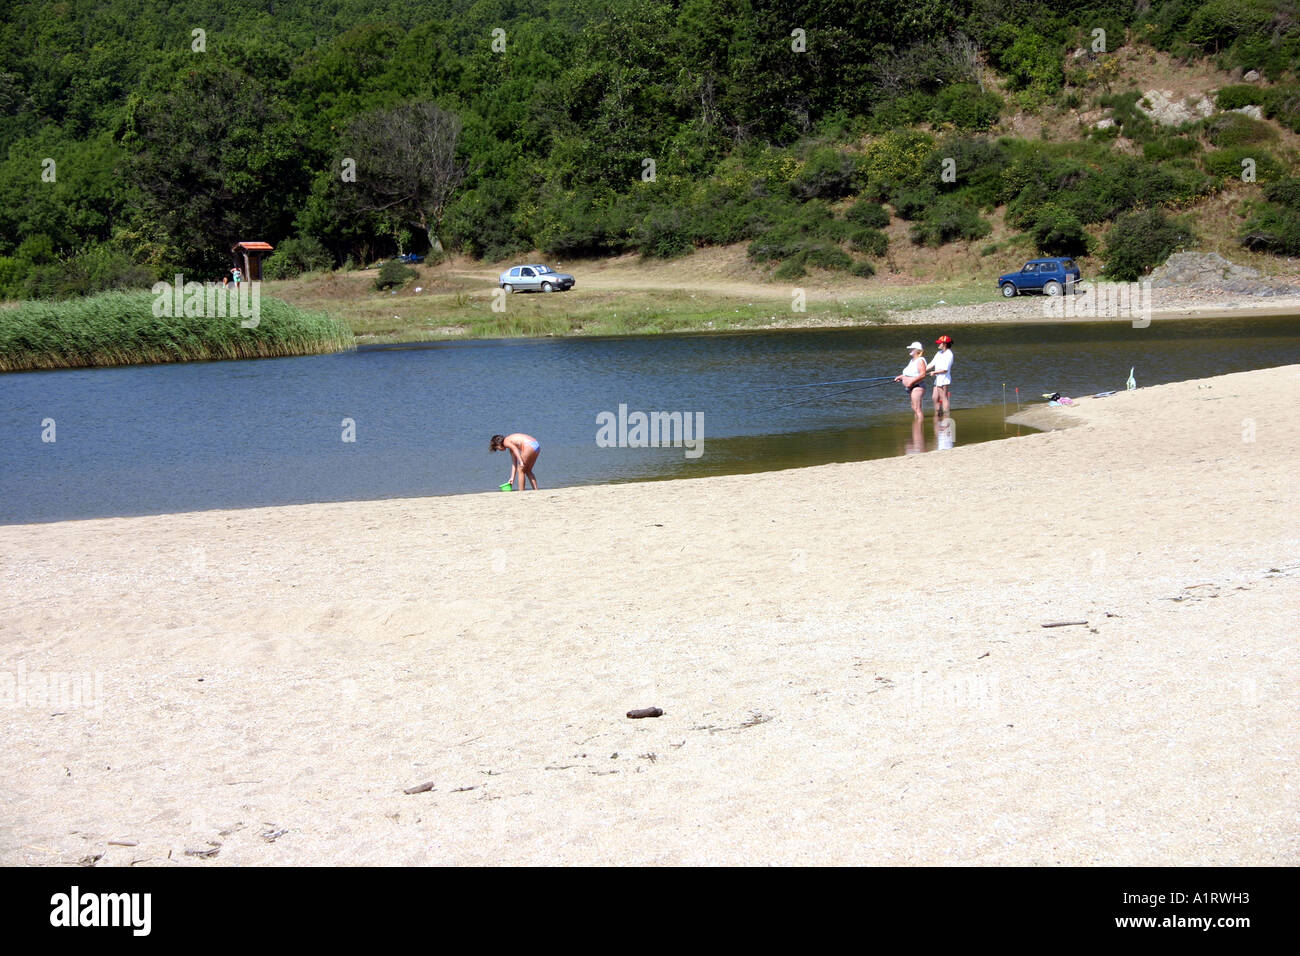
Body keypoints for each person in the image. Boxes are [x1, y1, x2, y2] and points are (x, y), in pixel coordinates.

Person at [894, 342, 928, 420]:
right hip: (911, 387)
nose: (909, 350)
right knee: (914, 407)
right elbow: (909, 374)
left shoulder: (920, 360)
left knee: (917, 408)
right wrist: (901, 377)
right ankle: (917, 426)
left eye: (911, 349)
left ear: (917, 350)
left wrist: (911, 382)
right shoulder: (912, 360)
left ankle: (919, 427)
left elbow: (923, 374)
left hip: (917, 386)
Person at [927, 334, 954, 418]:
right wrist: (921, 371)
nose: (938, 344)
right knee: (934, 397)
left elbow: (945, 369)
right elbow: (932, 363)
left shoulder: (949, 354)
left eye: (940, 343)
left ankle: (946, 416)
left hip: (944, 378)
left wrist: (934, 372)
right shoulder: (939, 353)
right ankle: (938, 414)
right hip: (938, 378)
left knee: (944, 397)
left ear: (945, 344)